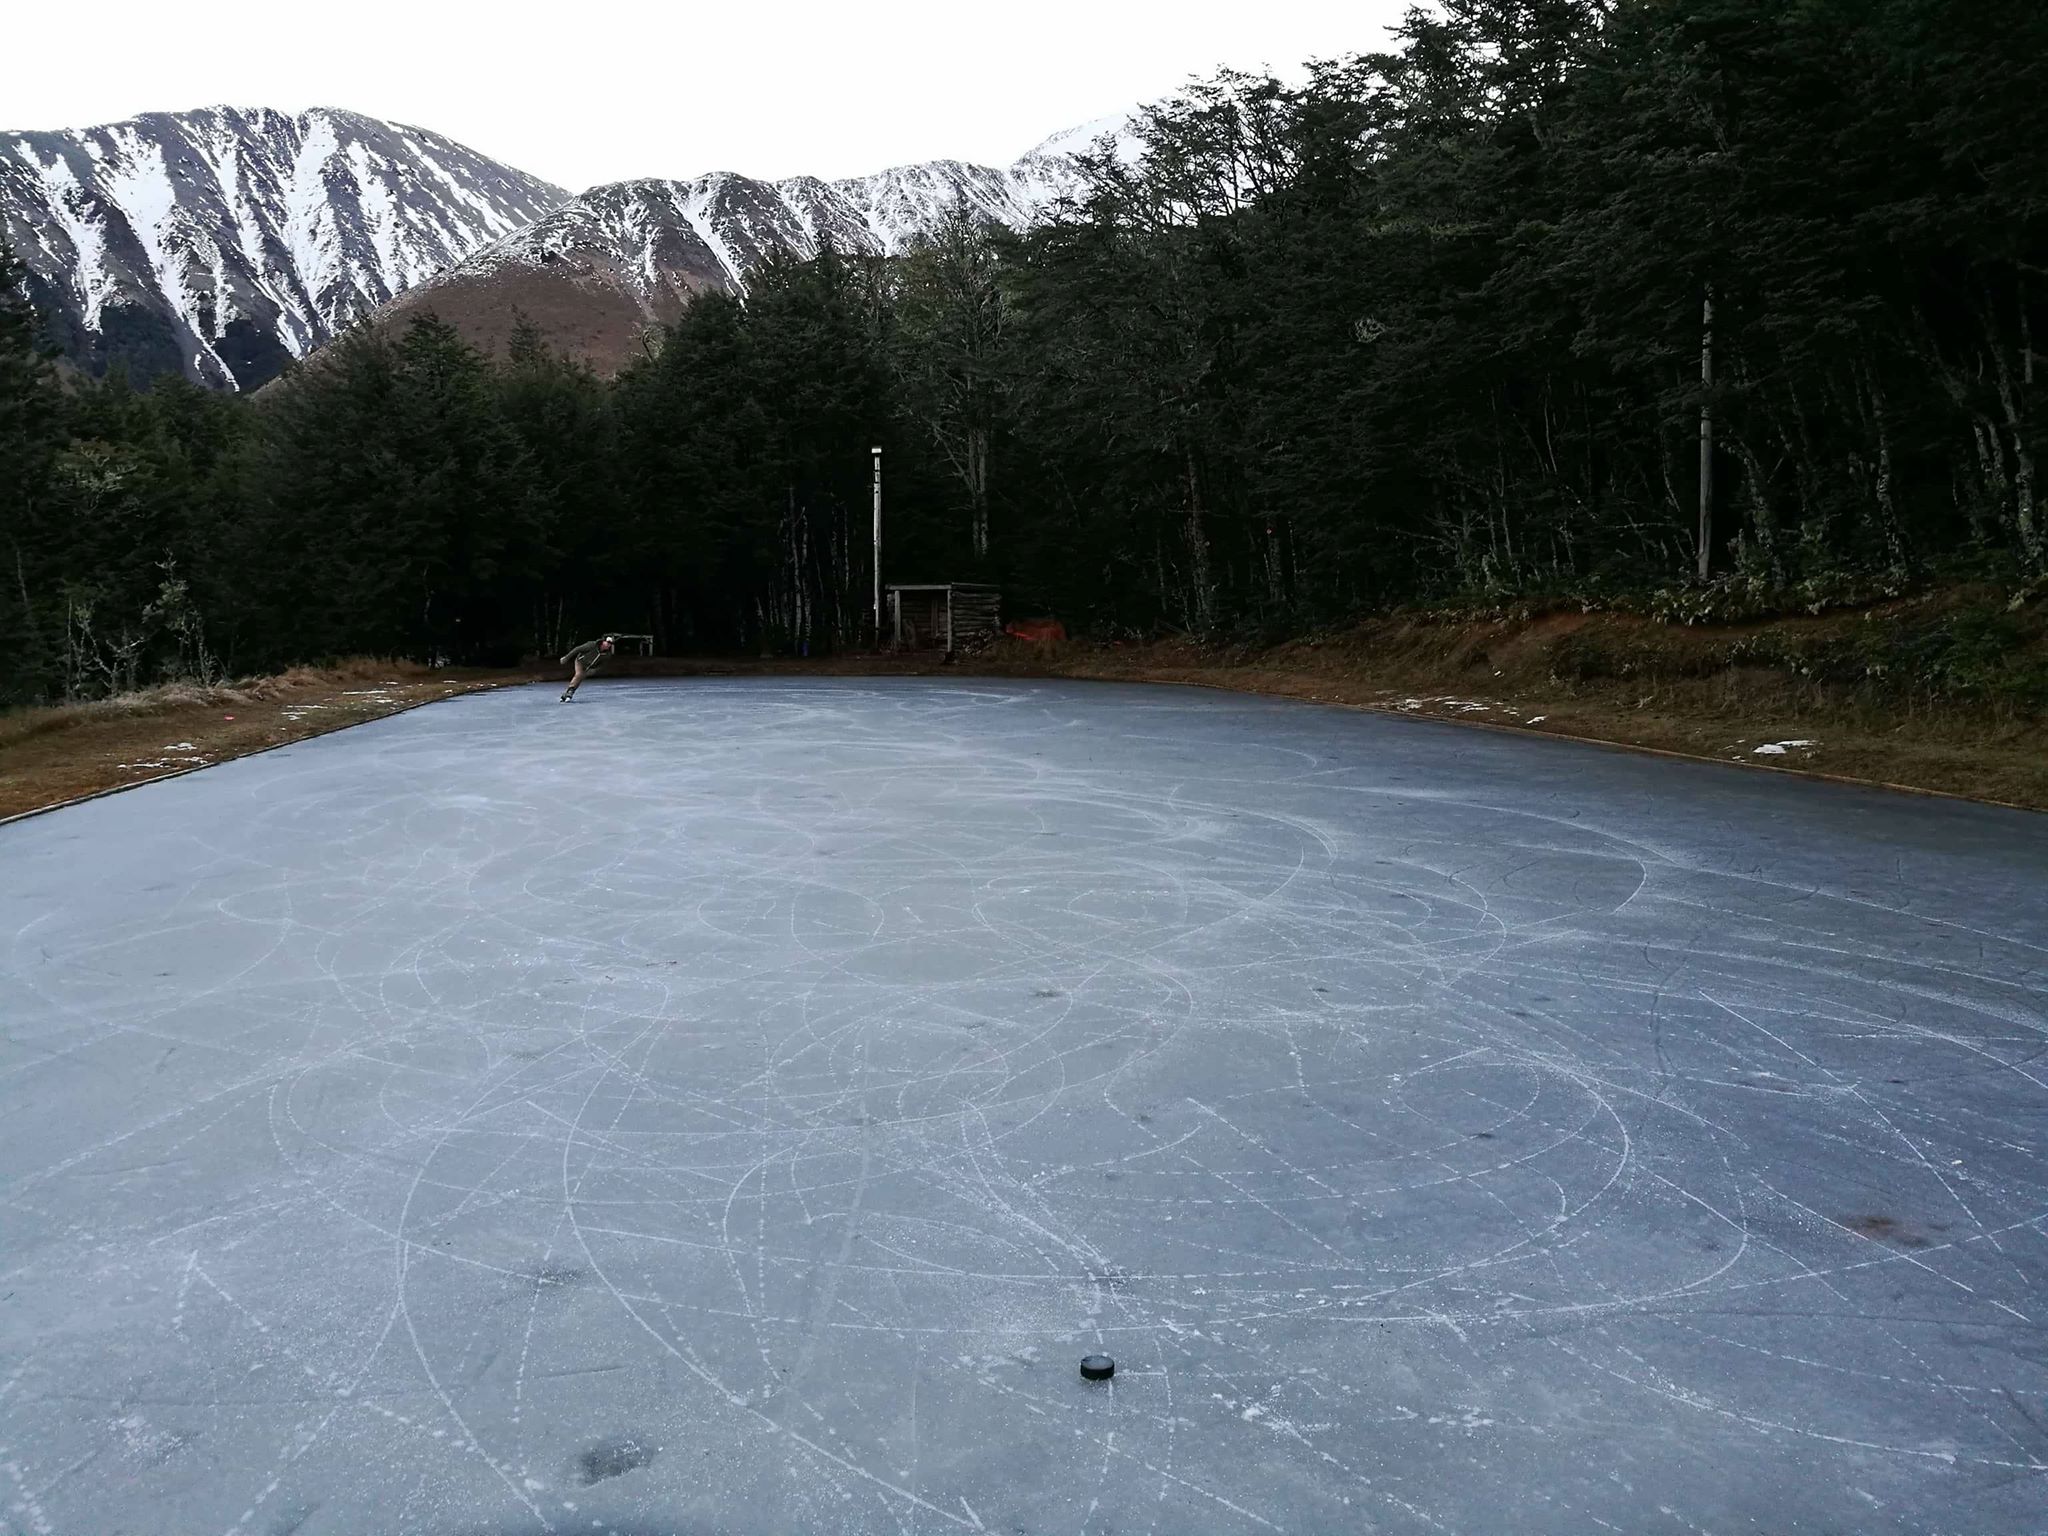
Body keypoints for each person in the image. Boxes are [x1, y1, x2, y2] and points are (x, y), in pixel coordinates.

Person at [559, 634, 616, 701]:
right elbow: (577, 649)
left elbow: (602, 665)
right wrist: (566, 658)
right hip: (580, 661)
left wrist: (594, 670)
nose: (608, 645)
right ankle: (570, 692)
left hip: (588, 667)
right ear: (603, 641)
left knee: (579, 679)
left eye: (610, 644)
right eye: (608, 642)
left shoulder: (607, 655)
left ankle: (567, 694)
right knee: (579, 675)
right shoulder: (592, 645)